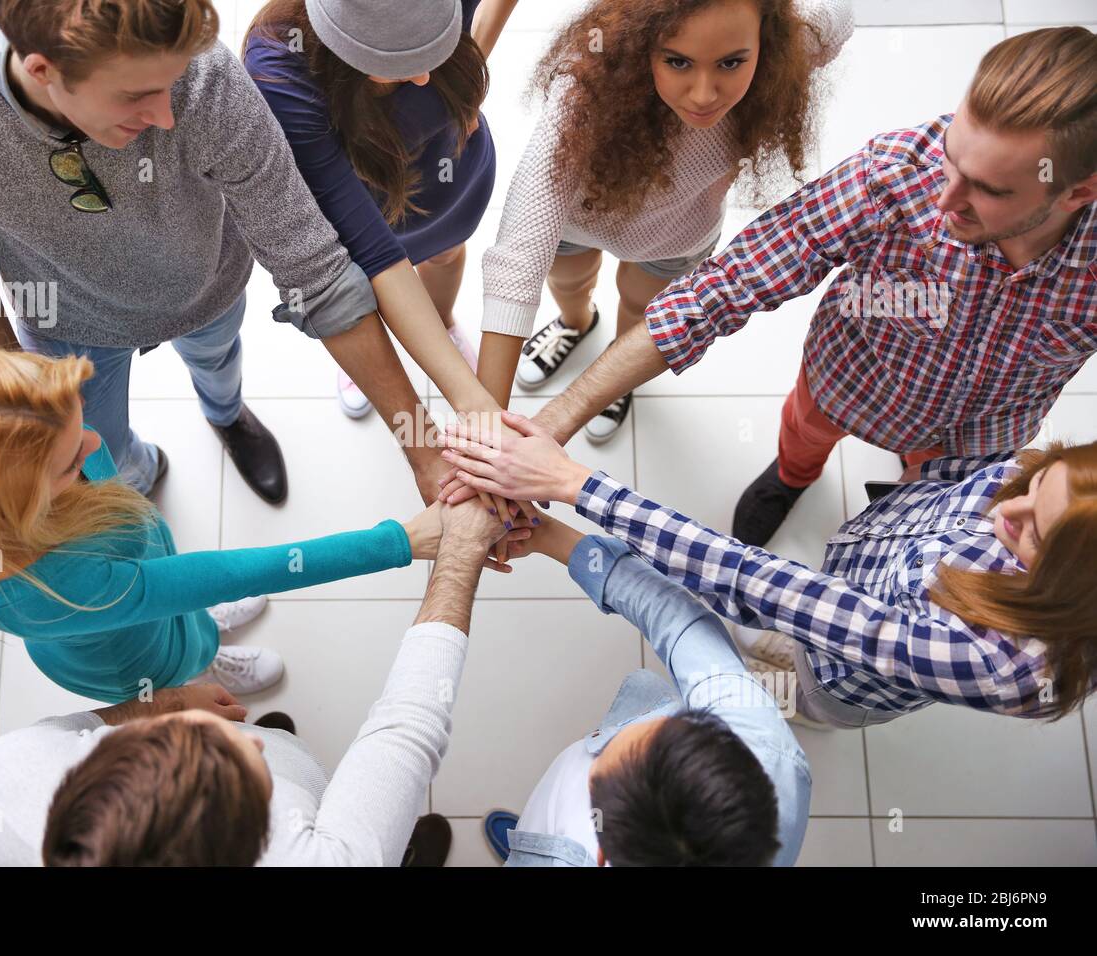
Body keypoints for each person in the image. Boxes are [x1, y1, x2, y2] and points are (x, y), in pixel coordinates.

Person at [444, 27, 1097, 545]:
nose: (945, 198)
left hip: (975, 437)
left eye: (988, 189)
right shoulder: (899, 172)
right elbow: (728, 282)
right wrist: (552, 422)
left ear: (1079, 191)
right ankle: (790, 477)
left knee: (919, 506)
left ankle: (910, 485)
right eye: (953, 157)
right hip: (847, 385)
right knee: (803, 438)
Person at [0, 0, 483, 508]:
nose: (167, 115)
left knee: (220, 365)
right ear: (41, 70)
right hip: (68, 326)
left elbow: (317, 270)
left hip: (209, 284)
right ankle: (136, 483)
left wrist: (425, 453)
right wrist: (22, 385)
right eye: (138, 95)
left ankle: (228, 417)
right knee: (102, 457)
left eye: (172, 86)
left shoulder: (205, 77)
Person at [0, 348, 528, 703]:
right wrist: (403, 540)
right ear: (11, 504)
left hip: (142, 593)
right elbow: (221, 572)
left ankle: (201, 625)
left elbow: (175, 579)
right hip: (131, 658)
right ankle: (208, 660)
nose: (95, 448)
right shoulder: (58, 587)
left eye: (80, 425)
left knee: (182, 601)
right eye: (67, 462)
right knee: (185, 643)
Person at [439, 410, 1097, 727]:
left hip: (845, 676)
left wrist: (576, 486)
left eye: (1034, 538)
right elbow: (958, 476)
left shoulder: (1003, 666)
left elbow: (761, 585)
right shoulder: (1037, 489)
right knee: (752, 634)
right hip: (852, 573)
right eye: (1032, 487)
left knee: (784, 693)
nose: (1006, 513)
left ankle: (782, 704)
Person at [0, 497, 510, 866]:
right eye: (256, 781)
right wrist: (459, 554)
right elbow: (405, 733)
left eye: (180, 733)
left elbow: (90, 721)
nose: (252, 735)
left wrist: (164, 700)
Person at [474, 0, 852, 443]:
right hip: (573, 227)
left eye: (731, 62)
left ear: (767, 40)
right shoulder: (586, 78)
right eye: (677, 61)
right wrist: (487, 425)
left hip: (677, 239)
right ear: (639, 41)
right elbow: (520, 248)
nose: (704, 94)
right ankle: (575, 324)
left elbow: (838, 15)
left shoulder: (787, 47)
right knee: (570, 286)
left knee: (638, 309)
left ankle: (610, 374)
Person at [477, 514, 810, 866]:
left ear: (605, 851)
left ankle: (532, 843)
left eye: (601, 762)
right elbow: (680, 623)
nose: (604, 741)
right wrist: (547, 535)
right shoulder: (764, 749)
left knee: (535, 842)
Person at [244, 0, 517, 420]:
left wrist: (468, 80)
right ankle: (378, 358)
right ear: (343, 43)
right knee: (370, 290)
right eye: (400, 60)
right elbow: (372, 250)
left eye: (435, 46)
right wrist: (474, 404)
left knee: (446, 253)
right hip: (362, 201)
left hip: (451, 166)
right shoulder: (280, 64)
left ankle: (441, 321)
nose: (426, 76)